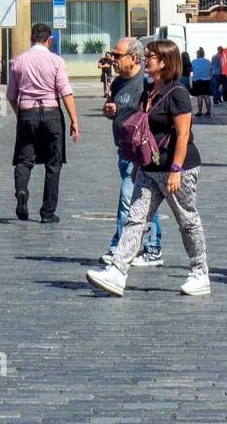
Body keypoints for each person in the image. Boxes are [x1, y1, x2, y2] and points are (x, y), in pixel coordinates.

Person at [87, 39, 209, 297]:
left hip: (178, 169)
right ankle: (118, 271)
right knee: (136, 218)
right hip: (149, 168)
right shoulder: (148, 90)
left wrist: (175, 169)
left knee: (187, 220)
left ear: (163, 62)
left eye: (151, 56)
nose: (146, 59)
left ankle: (200, 272)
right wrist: (137, 164)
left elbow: (184, 134)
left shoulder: (178, 93)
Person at [6, 22, 79, 224]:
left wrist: (20, 113)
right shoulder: (56, 61)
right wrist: (74, 120)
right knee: (53, 163)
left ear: (31, 39)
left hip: (27, 113)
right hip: (51, 113)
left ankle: (21, 190)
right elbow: (65, 91)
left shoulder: (18, 61)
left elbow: (11, 95)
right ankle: (47, 212)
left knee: (24, 158)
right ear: (49, 40)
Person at [101, 37, 162, 267]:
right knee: (144, 200)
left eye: (117, 56)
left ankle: (119, 246)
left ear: (134, 58)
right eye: (112, 55)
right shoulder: (117, 83)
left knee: (127, 198)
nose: (113, 60)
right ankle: (154, 248)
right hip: (122, 150)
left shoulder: (146, 82)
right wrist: (109, 110)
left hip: (139, 153)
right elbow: (111, 108)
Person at [190, 46, 214, 117]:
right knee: (206, 96)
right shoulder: (208, 61)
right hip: (206, 80)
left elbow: (191, 69)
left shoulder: (194, 61)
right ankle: (208, 111)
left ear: (197, 54)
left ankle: (200, 112)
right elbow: (211, 70)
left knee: (200, 96)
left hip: (197, 80)